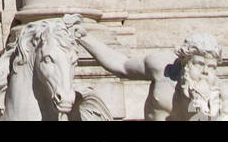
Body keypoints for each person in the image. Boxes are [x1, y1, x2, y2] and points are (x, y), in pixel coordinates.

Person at [72, 23, 228, 121]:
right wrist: (86, 38)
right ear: (184, 62)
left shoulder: (221, 96)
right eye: (200, 64)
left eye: (212, 67)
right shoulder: (162, 68)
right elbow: (122, 65)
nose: (205, 72)